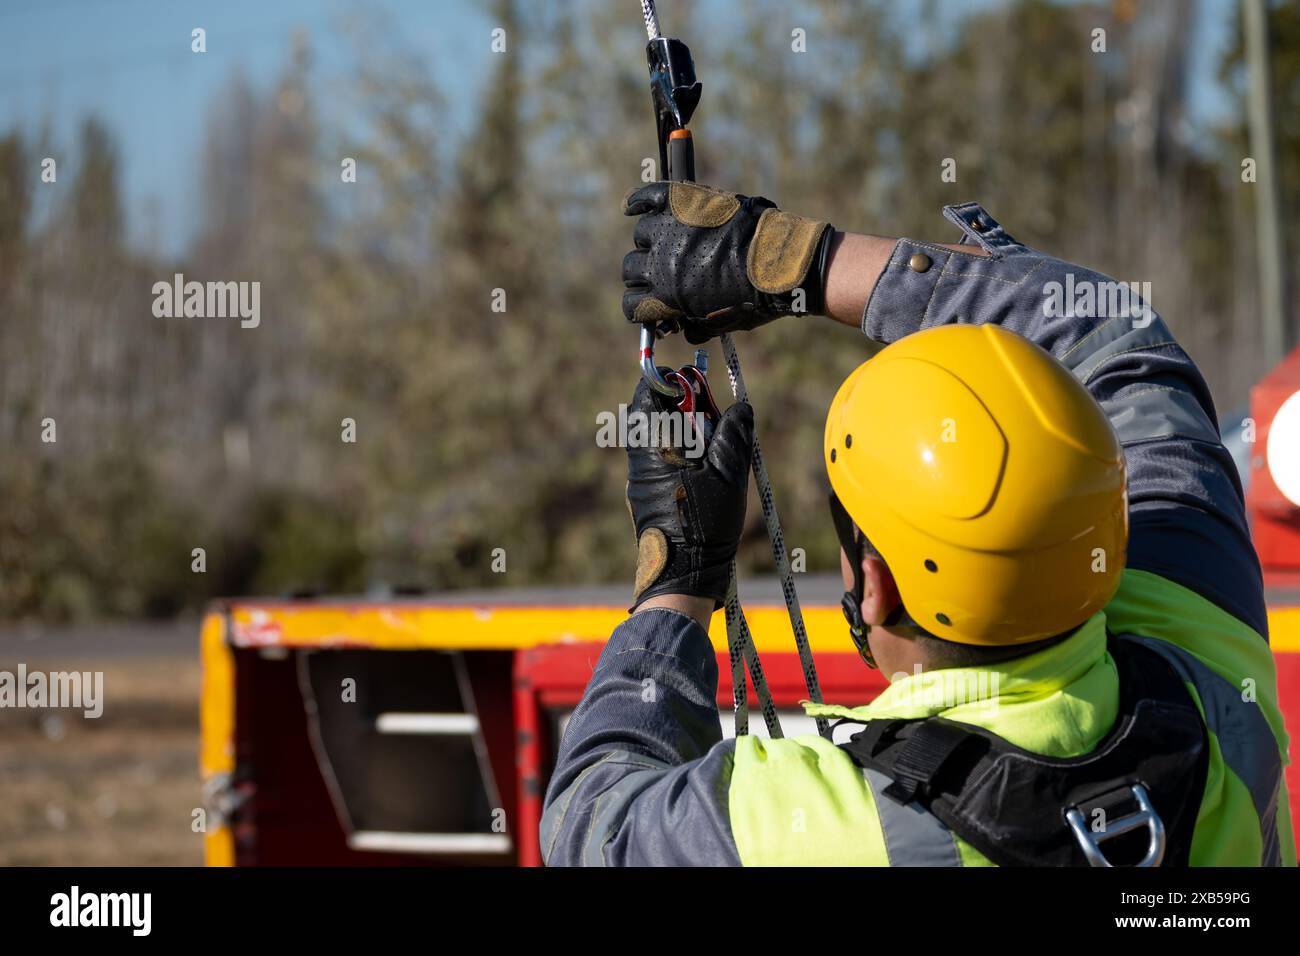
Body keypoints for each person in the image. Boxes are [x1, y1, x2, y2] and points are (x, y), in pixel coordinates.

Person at [540, 181, 1294, 866]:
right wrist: (795, 260)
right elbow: (1117, 338)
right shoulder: (1213, 671)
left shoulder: (834, 831)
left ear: (873, 583)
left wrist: (674, 583)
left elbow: (593, 824)